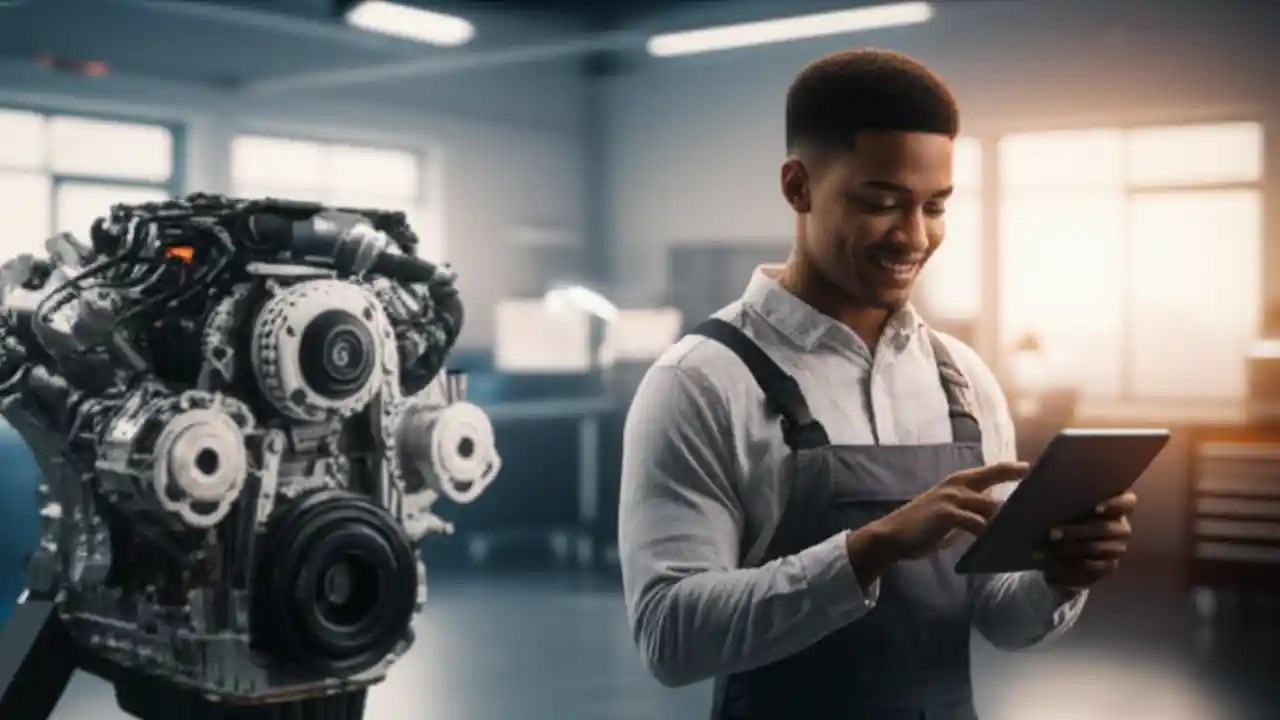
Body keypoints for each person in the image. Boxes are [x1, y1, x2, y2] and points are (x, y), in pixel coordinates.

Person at [617, 48, 1138, 720]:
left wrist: (1056, 576)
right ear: (798, 187)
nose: (914, 237)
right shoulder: (700, 384)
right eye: (882, 202)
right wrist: (869, 551)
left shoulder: (965, 382)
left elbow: (1000, 619)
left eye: (935, 206)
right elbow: (669, 638)